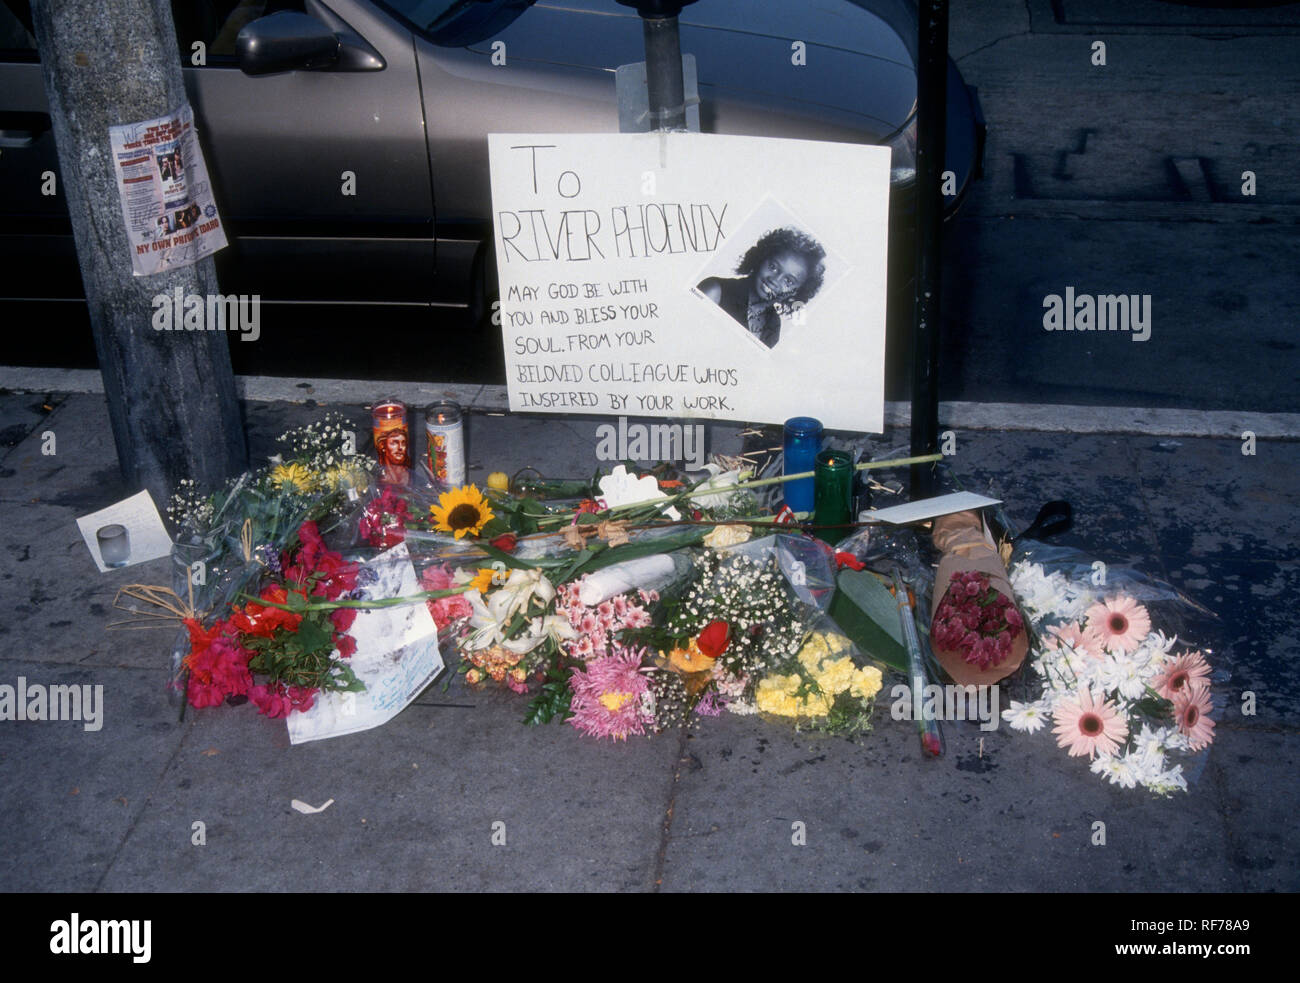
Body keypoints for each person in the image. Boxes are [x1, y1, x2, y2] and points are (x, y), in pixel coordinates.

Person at [697, 227, 826, 348]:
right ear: (761, 258)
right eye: (773, 267)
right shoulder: (715, 291)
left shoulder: (773, 324)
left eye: (789, 281)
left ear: (797, 292)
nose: (775, 280)